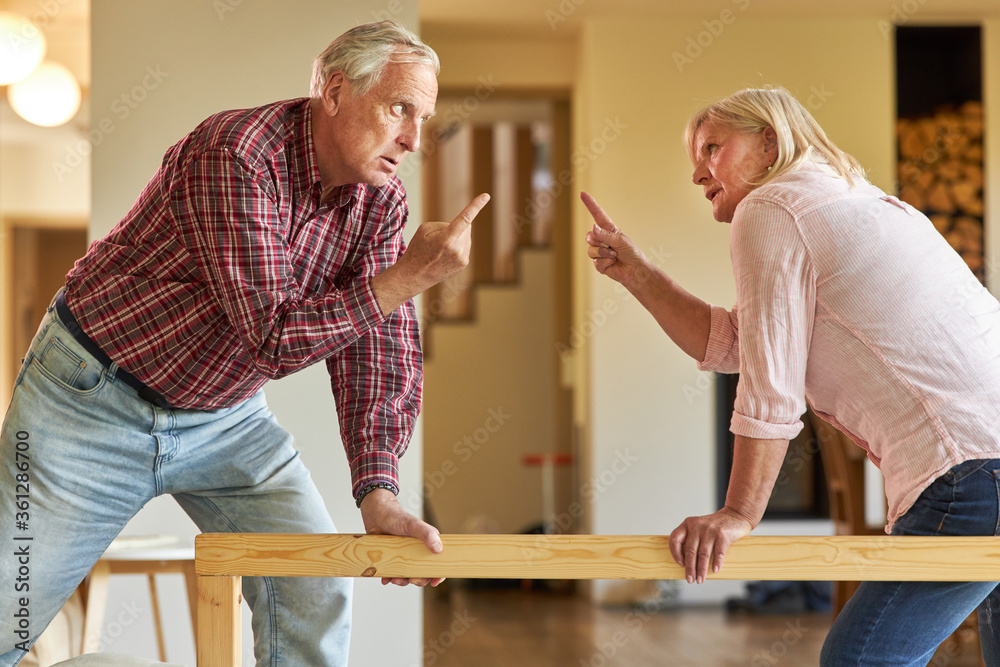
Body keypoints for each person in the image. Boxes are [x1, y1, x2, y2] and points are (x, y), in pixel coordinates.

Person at [0, 20, 488, 666]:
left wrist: (379, 492)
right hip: (89, 398)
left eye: (423, 118)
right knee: (7, 614)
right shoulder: (235, 155)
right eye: (400, 108)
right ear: (335, 91)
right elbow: (273, 336)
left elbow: (376, 347)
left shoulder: (379, 202)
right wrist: (409, 276)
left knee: (316, 585)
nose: (414, 139)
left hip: (224, 415)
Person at [583, 86, 1000, 665]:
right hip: (986, 462)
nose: (698, 173)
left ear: (770, 142)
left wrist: (739, 512)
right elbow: (740, 345)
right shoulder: (845, 199)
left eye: (712, 149)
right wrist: (639, 275)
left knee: (860, 660)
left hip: (974, 471)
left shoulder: (771, 208)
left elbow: (770, 386)